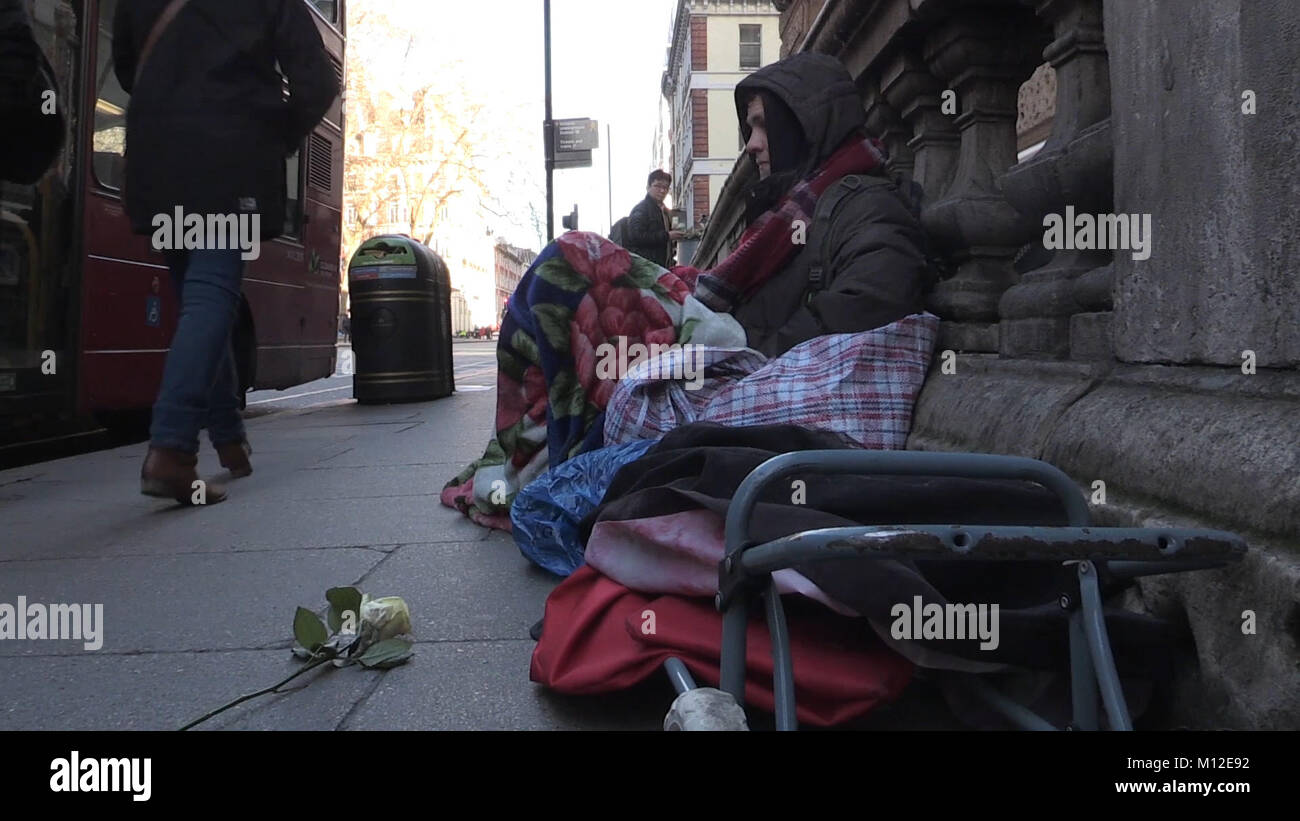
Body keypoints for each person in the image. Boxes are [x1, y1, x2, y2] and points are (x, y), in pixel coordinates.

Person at [442, 52, 934, 528]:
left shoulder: (865, 204)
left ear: (805, 124)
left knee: (570, 266)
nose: (752, 145)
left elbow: (870, 307)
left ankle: (550, 464)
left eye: (764, 126)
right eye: (750, 129)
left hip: (744, 375)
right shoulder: (785, 215)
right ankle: (544, 460)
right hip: (725, 365)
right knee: (564, 281)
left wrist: (727, 350)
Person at [116, 0, 338, 504]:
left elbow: (129, 69)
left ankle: (228, 437)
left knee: (201, 302)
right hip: (227, 161)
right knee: (211, 296)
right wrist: (274, 132)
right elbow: (318, 83)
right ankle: (171, 450)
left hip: (158, 160)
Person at [621, 170, 685, 268]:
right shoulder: (641, 209)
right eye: (658, 186)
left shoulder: (665, 212)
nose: (662, 190)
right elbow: (636, 237)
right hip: (646, 268)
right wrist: (666, 236)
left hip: (661, 267)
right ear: (648, 187)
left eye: (665, 187)